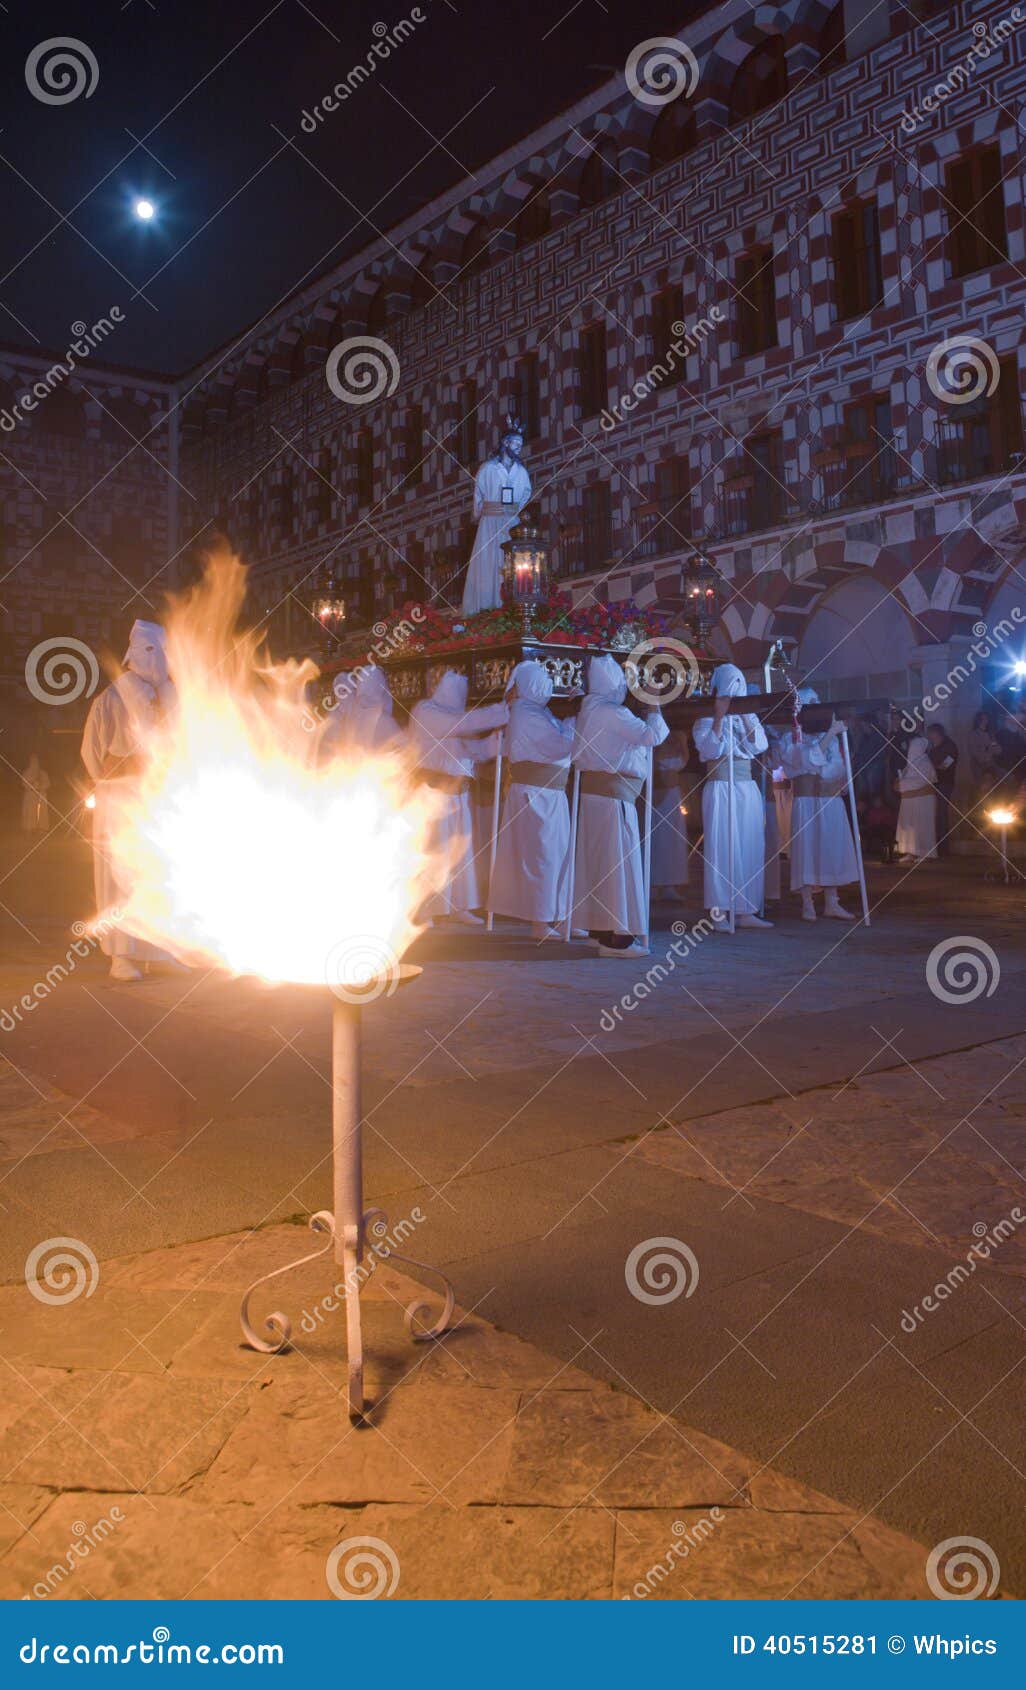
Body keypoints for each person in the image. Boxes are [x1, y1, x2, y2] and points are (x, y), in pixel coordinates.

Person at [80, 620, 177, 982]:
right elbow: (91, 753)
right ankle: (122, 954)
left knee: (160, 870)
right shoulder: (110, 700)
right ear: (134, 653)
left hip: (160, 794)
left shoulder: (175, 696)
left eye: (163, 650)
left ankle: (161, 949)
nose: (159, 659)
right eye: (151, 650)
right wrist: (115, 778)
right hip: (121, 795)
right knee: (121, 874)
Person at [571, 653, 667, 956]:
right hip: (612, 799)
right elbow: (653, 735)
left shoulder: (588, 707)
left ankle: (599, 929)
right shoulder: (612, 712)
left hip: (595, 797)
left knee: (598, 865)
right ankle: (619, 938)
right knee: (617, 866)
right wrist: (655, 704)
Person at [409, 670, 508, 925]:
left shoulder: (454, 716)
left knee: (460, 854)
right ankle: (425, 907)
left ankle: (459, 904)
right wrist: (501, 709)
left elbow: (470, 750)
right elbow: (463, 724)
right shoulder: (427, 711)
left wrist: (494, 744)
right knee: (434, 850)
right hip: (433, 794)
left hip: (459, 793)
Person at [489, 660, 574, 940]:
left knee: (557, 856)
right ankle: (541, 921)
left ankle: (558, 914)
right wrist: (574, 723)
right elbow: (558, 745)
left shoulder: (536, 710)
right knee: (543, 857)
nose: (547, 686)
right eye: (542, 680)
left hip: (549, 793)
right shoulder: (526, 713)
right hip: (538, 795)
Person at [692, 663, 772, 932]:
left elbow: (759, 745)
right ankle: (719, 911)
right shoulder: (704, 717)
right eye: (732, 683)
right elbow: (709, 750)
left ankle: (745, 909)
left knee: (749, 845)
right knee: (722, 848)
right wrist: (718, 717)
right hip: (720, 787)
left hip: (745, 786)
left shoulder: (748, 715)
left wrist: (747, 716)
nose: (736, 689)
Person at [776, 690, 859, 920]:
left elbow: (836, 768)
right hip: (805, 803)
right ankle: (807, 903)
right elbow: (805, 760)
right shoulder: (789, 739)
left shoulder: (832, 739)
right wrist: (830, 736)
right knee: (806, 849)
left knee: (830, 848)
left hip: (828, 801)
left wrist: (819, 763)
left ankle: (832, 902)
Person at [461, 417, 532, 615]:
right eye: (515, 444)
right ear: (505, 443)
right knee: (488, 563)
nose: (518, 448)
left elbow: (526, 493)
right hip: (490, 521)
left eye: (520, 445)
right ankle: (486, 607)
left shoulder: (521, 472)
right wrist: (479, 515)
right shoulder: (487, 468)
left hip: (511, 522)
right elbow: (478, 495)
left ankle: (510, 606)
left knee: (512, 563)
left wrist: (513, 511)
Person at [323, 664, 402, 755]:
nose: (348, 696)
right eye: (343, 691)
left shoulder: (352, 717)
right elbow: (406, 750)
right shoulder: (383, 719)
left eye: (352, 690)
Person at [649, 732, 689, 903]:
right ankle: (652, 884)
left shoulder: (676, 739)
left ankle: (669, 885)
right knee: (657, 839)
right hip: (657, 794)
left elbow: (684, 761)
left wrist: (682, 741)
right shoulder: (653, 741)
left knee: (673, 839)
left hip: (673, 795)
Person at [894, 734, 937, 861]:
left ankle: (925, 852)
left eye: (914, 747)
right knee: (910, 826)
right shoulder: (910, 764)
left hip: (922, 800)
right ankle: (911, 852)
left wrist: (901, 784)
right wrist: (899, 782)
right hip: (909, 800)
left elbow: (919, 782)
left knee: (921, 826)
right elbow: (905, 780)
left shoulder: (925, 763)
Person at [926, 721, 958, 856]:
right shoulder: (933, 747)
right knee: (937, 814)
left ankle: (943, 848)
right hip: (935, 783)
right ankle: (937, 845)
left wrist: (931, 768)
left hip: (944, 783)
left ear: (937, 733)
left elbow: (945, 766)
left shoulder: (950, 747)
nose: (929, 736)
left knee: (941, 814)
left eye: (931, 734)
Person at [967, 710, 1001, 801]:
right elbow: (974, 751)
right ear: (978, 720)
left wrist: (993, 748)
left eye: (987, 718)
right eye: (983, 718)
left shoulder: (990, 734)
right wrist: (987, 749)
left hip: (990, 765)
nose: (986, 720)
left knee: (992, 789)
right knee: (981, 789)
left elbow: (996, 749)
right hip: (979, 765)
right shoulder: (973, 734)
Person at [20, 754, 50, 832]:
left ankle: (42, 829)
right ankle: (29, 829)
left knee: (41, 813)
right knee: (30, 813)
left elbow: (47, 783)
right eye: (33, 761)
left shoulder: (43, 773)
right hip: (30, 796)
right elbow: (24, 783)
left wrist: (41, 786)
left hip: (40, 795)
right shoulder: (26, 772)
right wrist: (32, 785)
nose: (34, 762)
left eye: (36, 761)